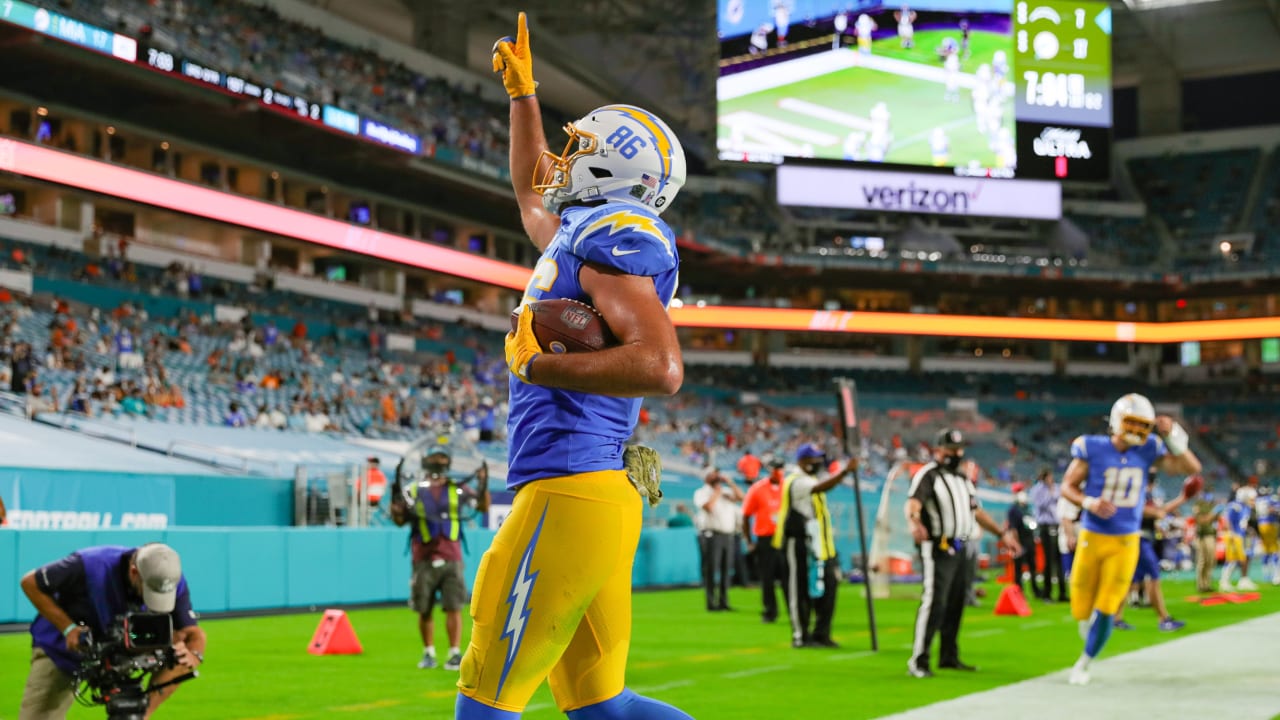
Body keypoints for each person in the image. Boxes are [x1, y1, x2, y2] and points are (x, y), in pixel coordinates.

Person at [456, 13, 693, 719]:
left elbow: (661, 365)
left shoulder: (617, 236)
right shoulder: (582, 229)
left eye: (578, 147)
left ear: (616, 168)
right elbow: (532, 194)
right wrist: (522, 96)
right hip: (590, 491)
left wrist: (542, 367)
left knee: (486, 701)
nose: (563, 157)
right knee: (605, 711)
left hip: (570, 488)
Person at [1059, 393, 1201, 686]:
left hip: (1125, 540)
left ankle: (1084, 662)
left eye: (1142, 425)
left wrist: (1172, 434)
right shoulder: (1093, 448)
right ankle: (1090, 641)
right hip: (1092, 535)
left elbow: (1191, 467)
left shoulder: (1149, 448)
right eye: (1132, 423)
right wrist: (1089, 502)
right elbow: (1068, 486)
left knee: (1109, 605)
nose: (1137, 431)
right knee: (1080, 605)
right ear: (1116, 422)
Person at [19, 543, 205, 719]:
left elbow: (192, 634)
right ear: (134, 572)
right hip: (64, 648)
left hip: (126, 652)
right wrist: (68, 628)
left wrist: (193, 654)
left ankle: (144, 714)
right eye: (148, 589)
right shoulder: (90, 563)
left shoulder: (170, 579)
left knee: (180, 655)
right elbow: (30, 583)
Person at [906, 429, 1019, 678]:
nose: (957, 454)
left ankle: (948, 655)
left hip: (963, 546)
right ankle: (919, 659)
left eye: (959, 449)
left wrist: (1002, 534)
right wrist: (914, 522)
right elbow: (914, 502)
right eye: (951, 449)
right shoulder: (929, 475)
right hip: (939, 546)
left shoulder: (963, 479)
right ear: (939, 449)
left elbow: (977, 512)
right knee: (934, 601)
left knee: (957, 602)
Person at [391, 441, 490, 672]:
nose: (439, 463)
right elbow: (399, 519)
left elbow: (482, 507)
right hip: (423, 555)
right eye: (435, 459)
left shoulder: (459, 488)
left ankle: (454, 653)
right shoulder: (414, 489)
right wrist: (396, 508)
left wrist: (483, 483)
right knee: (424, 608)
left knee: (453, 606)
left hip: (451, 555)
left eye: (442, 459)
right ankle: (429, 652)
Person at [772, 443, 856, 649]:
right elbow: (821, 488)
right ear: (802, 461)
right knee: (799, 589)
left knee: (828, 587)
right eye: (813, 459)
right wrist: (845, 471)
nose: (817, 463)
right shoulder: (796, 481)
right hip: (799, 543)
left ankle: (822, 633)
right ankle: (801, 635)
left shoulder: (809, 478)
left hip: (820, 544)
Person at [1113, 471, 1190, 632]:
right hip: (1139, 539)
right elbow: (1144, 510)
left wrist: (1182, 498)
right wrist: (1158, 512)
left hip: (1137, 539)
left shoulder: (1141, 494)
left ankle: (1115, 618)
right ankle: (1164, 619)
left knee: (1129, 581)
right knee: (1153, 576)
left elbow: (1159, 510)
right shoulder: (1137, 494)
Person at [742, 455, 786, 623]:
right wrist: (749, 541)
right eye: (775, 468)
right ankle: (770, 611)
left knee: (788, 575)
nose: (778, 472)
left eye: (780, 468)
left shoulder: (787, 487)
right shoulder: (757, 488)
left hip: (783, 536)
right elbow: (746, 515)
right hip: (765, 537)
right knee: (767, 577)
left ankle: (795, 609)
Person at [694, 467, 744, 612]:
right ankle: (711, 603)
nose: (717, 477)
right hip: (711, 535)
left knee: (725, 569)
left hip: (727, 535)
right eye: (713, 474)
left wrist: (730, 483)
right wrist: (716, 492)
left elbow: (742, 498)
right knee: (711, 569)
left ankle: (723, 601)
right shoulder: (701, 492)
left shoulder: (726, 491)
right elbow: (708, 507)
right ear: (706, 477)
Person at [1030, 467, 1068, 601]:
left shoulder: (1056, 487)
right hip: (1045, 526)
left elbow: (1062, 499)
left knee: (1059, 559)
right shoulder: (1038, 489)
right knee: (1049, 559)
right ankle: (1047, 592)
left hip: (1057, 525)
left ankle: (1062, 593)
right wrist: (1051, 494)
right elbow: (1041, 504)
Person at [1220, 486, 1258, 591]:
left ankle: (1241, 580)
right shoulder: (1235, 505)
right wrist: (1231, 533)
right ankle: (1224, 581)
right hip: (1234, 535)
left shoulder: (1246, 507)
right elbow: (1227, 520)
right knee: (1231, 559)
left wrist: (1248, 530)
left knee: (1242, 558)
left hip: (1241, 535)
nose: (1252, 501)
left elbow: (1243, 522)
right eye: (1250, 498)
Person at [1006, 482, 1039, 599]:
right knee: (1018, 567)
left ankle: (1035, 589)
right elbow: (1013, 528)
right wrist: (1016, 543)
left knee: (1032, 565)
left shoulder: (1026, 508)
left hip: (1029, 539)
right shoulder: (1013, 510)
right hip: (1019, 540)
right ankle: (1018, 590)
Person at [1191, 483, 1221, 593]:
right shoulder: (1199, 504)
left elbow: (1217, 520)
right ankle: (1201, 585)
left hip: (1211, 534)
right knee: (1202, 560)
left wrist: (1216, 514)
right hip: (1202, 535)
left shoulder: (1212, 505)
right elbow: (1201, 520)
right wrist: (1213, 514)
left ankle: (1207, 583)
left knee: (1211, 560)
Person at [1256, 487, 1279, 585]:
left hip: (1261, 524)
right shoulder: (1271, 499)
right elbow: (1273, 509)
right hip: (1270, 524)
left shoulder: (1258, 500)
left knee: (1266, 550)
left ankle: (1266, 575)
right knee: (1275, 550)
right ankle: (1276, 575)